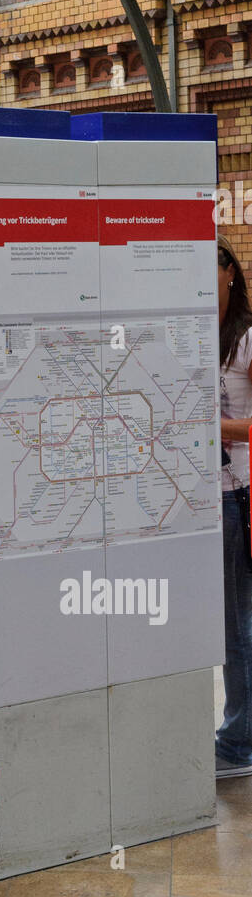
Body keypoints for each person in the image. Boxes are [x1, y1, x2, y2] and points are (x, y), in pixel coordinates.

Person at [216, 233, 252, 778]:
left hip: (239, 496)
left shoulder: (246, 338)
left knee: (240, 621)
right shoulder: (197, 334)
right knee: (225, 621)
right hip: (205, 497)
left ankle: (240, 742)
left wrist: (211, 425)